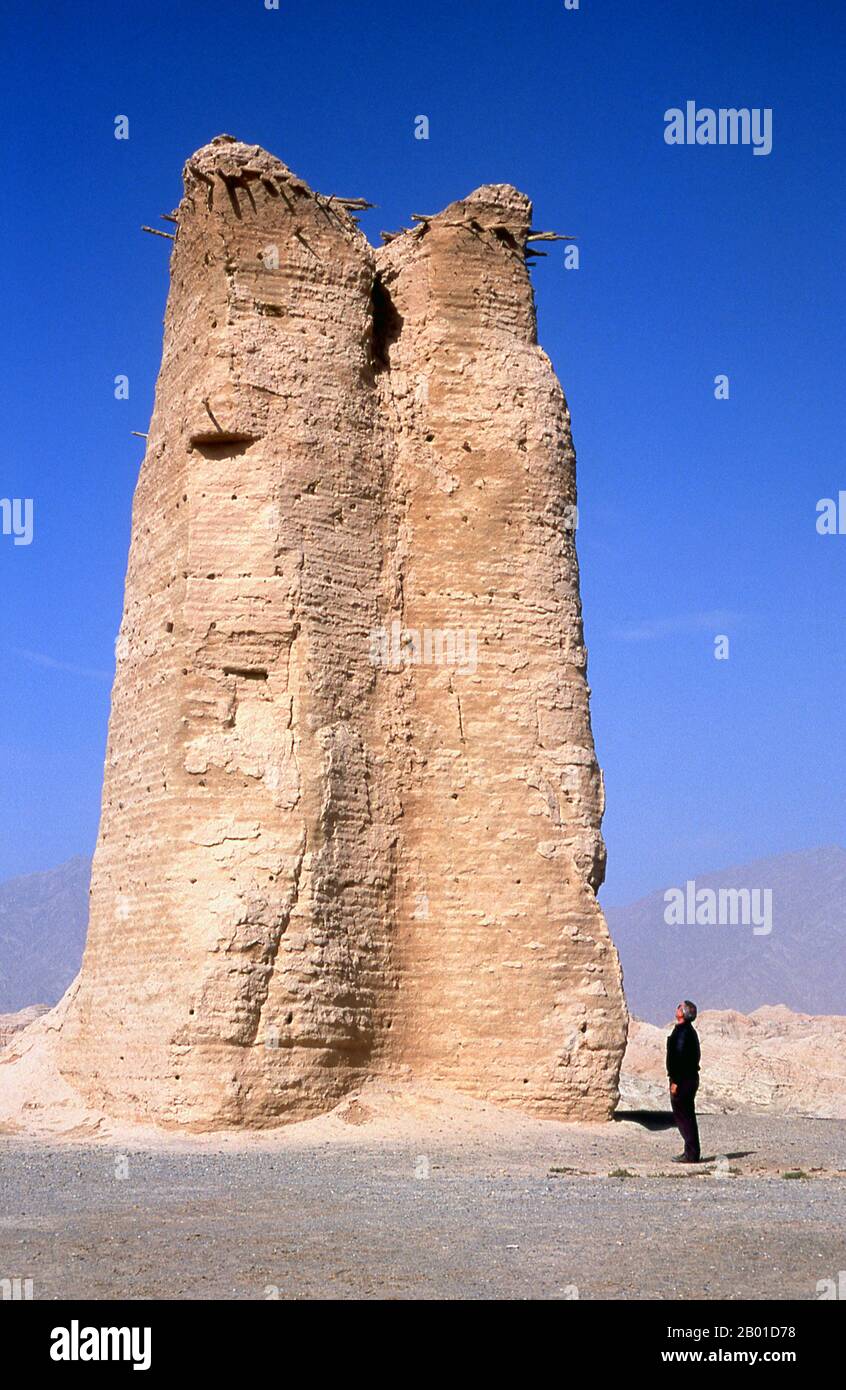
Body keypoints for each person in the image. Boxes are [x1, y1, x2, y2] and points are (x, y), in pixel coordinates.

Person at [666, 999, 701, 1163]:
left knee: (684, 1117)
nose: (677, 1007)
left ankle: (691, 1154)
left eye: (680, 1006)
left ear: (684, 1014)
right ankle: (690, 1152)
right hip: (689, 1079)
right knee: (687, 1116)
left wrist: (675, 1082)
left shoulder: (683, 1033)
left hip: (683, 1081)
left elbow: (679, 1059)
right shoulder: (686, 1031)